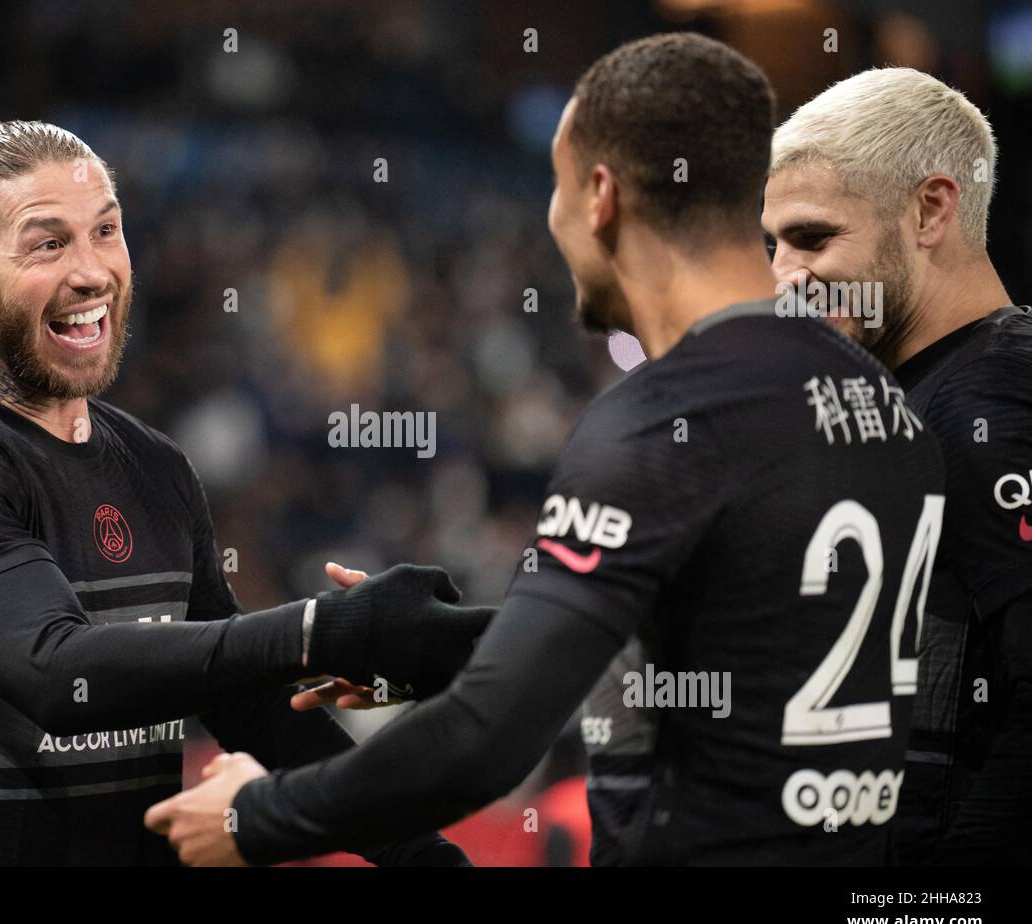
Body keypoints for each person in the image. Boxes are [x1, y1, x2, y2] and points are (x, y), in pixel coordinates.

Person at [148, 33, 945, 866]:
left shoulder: (664, 417)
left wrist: (257, 815)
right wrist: (441, 647)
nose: (555, 226)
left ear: (598, 195)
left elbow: (484, 741)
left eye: (556, 191)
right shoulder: (880, 400)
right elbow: (725, 647)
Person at [0, 120, 485, 865]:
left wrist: (425, 856)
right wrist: (318, 631)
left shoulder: (155, 466)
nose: (92, 272)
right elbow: (55, 672)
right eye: (48, 243)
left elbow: (250, 708)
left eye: (106, 231)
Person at [764, 67, 1032, 865]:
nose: (784, 277)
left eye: (813, 239)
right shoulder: (901, 406)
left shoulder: (990, 399)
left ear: (930, 210)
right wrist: (412, 652)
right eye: (772, 245)